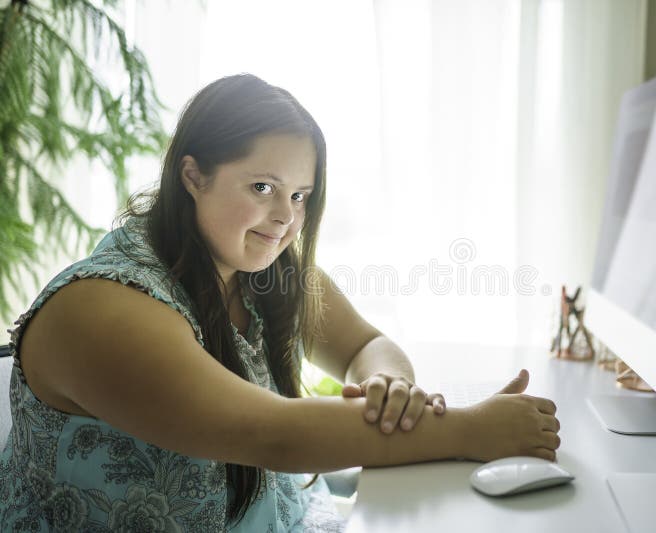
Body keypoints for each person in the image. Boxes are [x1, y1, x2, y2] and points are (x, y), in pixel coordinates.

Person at [0, 74, 561, 532]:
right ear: (193, 175)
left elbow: (366, 345)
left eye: (300, 196)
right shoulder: (102, 309)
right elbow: (273, 435)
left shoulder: (261, 268)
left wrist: (393, 388)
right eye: (262, 188)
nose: (286, 218)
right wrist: (468, 430)